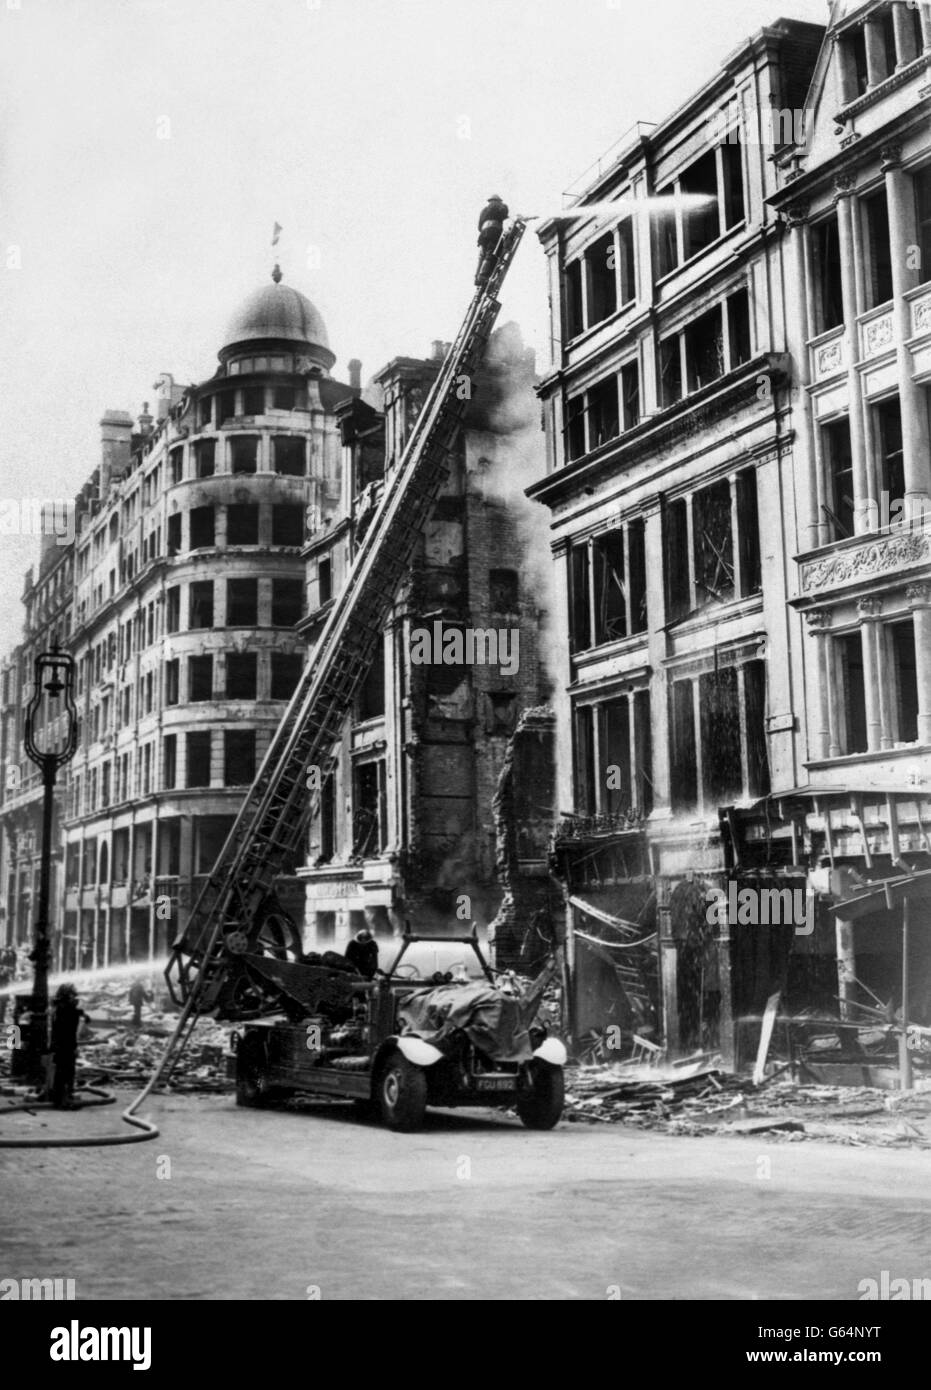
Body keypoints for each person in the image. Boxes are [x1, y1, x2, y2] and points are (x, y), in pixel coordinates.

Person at [49, 983, 89, 1108]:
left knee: (61, 1072)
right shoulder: (68, 1010)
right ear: (68, 996)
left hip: (60, 1044)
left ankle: (61, 1098)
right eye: (73, 996)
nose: (75, 999)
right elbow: (71, 1029)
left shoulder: (58, 1008)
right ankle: (63, 1100)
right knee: (66, 1072)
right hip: (66, 1045)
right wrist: (81, 1011)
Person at [475, 195, 509, 285]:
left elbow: (479, 226)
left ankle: (477, 277)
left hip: (483, 234)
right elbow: (505, 215)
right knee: (491, 253)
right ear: (498, 201)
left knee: (482, 256)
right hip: (494, 232)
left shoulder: (484, 210)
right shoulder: (501, 207)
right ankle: (483, 276)